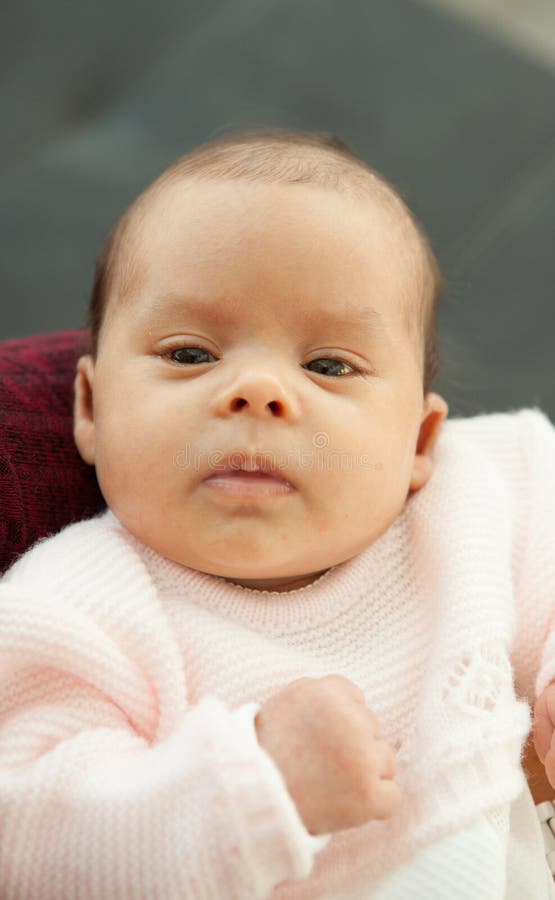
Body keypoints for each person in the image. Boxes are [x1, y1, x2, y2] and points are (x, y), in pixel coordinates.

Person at [1, 127, 554, 899]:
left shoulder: (489, 494)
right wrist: (253, 785)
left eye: (328, 365)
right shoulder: (74, 606)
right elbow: (27, 834)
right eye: (190, 354)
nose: (258, 390)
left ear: (420, 439)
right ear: (89, 406)